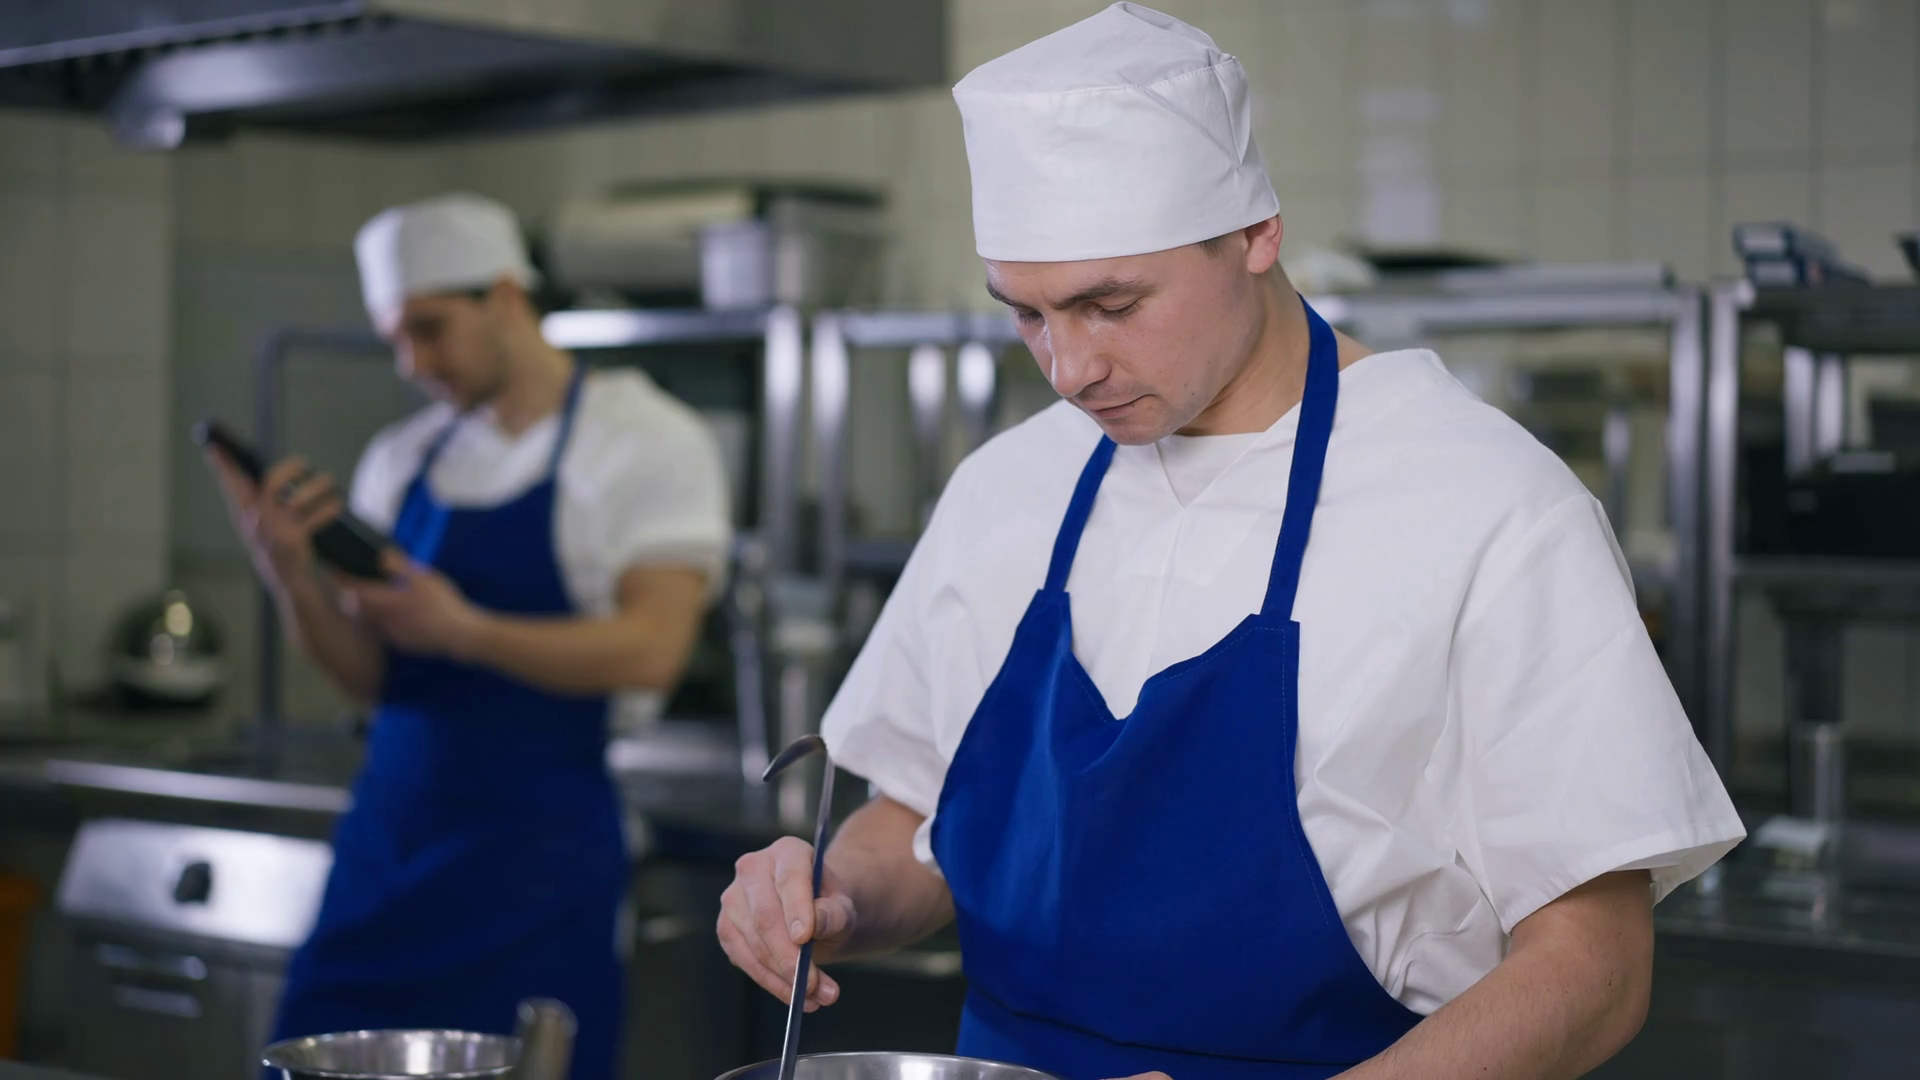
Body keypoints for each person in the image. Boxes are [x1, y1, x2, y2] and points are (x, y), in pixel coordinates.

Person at [715, 7, 1744, 1080]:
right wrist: (830, 901)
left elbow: (1596, 966)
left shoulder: (1491, 507)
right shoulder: (1007, 487)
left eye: (1109, 304)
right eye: (1027, 315)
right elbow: (919, 817)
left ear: (1257, 234)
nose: (1069, 369)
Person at [206, 193, 731, 1080]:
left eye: (431, 328)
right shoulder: (403, 457)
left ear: (505, 298)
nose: (412, 362)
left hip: (536, 871)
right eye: (395, 338)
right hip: (388, 849)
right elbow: (371, 677)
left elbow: (652, 648)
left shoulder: (644, 440)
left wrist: (465, 629)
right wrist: (290, 576)